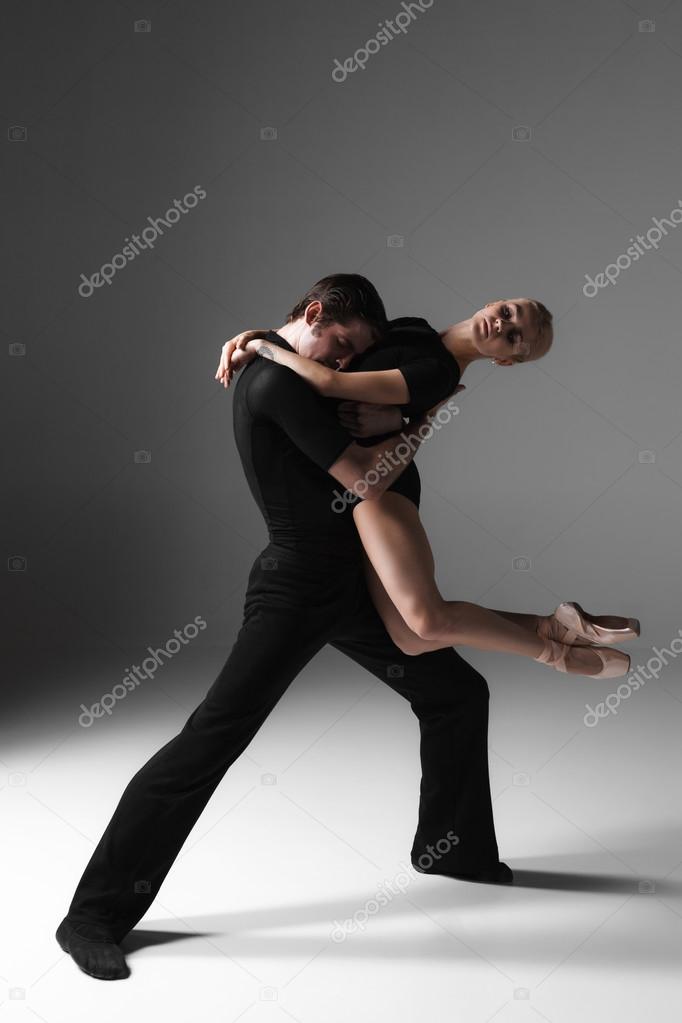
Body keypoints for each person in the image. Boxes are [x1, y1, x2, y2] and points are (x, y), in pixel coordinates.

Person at [56, 274, 512, 982]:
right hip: (295, 590)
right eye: (340, 345)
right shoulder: (277, 385)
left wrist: (272, 339)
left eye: (352, 354)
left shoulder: (291, 365)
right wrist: (429, 418)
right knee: (212, 739)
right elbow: (364, 481)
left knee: (456, 692)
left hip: (350, 588)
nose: (342, 363)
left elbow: (370, 385)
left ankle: (452, 849)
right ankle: (92, 914)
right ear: (313, 313)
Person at [216, 299, 640, 678]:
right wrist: (264, 336)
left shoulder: (437, 372)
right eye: (508, 313)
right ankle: (551, 625)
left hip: (381, 487)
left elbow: (330, 385)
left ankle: (555, 655)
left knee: (428, 622)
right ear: (496, 302)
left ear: (506, 361)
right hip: (364, 483)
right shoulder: (414, 327)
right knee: (411, 639)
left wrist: (259, 346)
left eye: (513, 337)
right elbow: (341, 353)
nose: (501, 325)